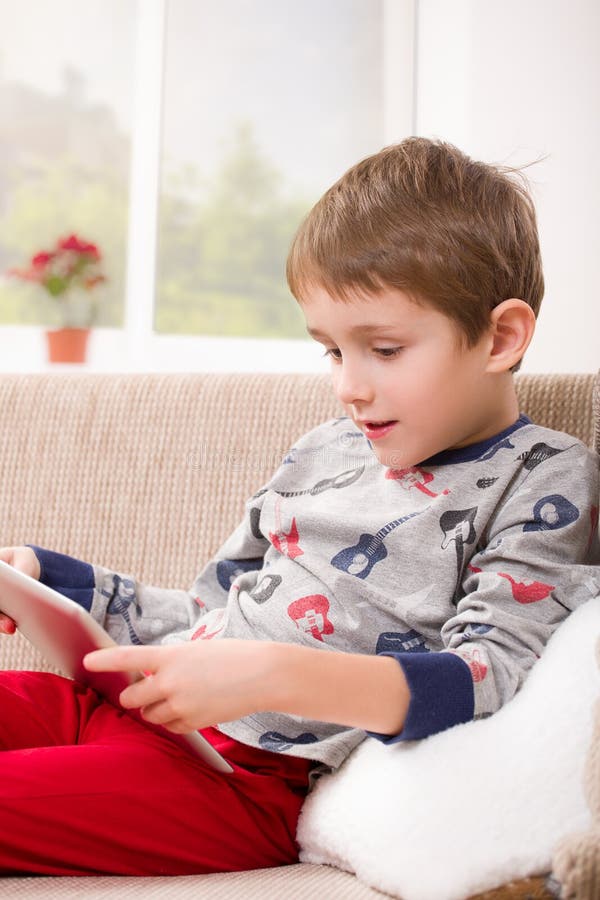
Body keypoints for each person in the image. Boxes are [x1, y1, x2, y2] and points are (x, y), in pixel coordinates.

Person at [0, 137, 598, 876]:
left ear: (501, 336)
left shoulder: (544, 477)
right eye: (332, 351)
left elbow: (487, 672)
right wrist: (51, 581)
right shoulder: (326, 449)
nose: (349, 387)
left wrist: (273, 676)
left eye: (382, 349)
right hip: (122, 712)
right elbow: (203, 615)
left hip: (239, 784)